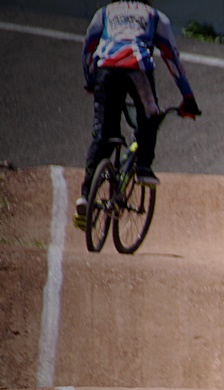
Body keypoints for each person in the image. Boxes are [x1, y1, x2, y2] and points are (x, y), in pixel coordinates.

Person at [77, 0, 201, 225]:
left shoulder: (105, 13)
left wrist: (90, 80)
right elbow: (172, 58)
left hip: (106, 70)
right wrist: (188, 98)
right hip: (137, 68)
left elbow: (88, 47)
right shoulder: (155, 17)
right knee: (151, 114)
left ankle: (86, 195)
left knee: (102, 132)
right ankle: (143, 166)